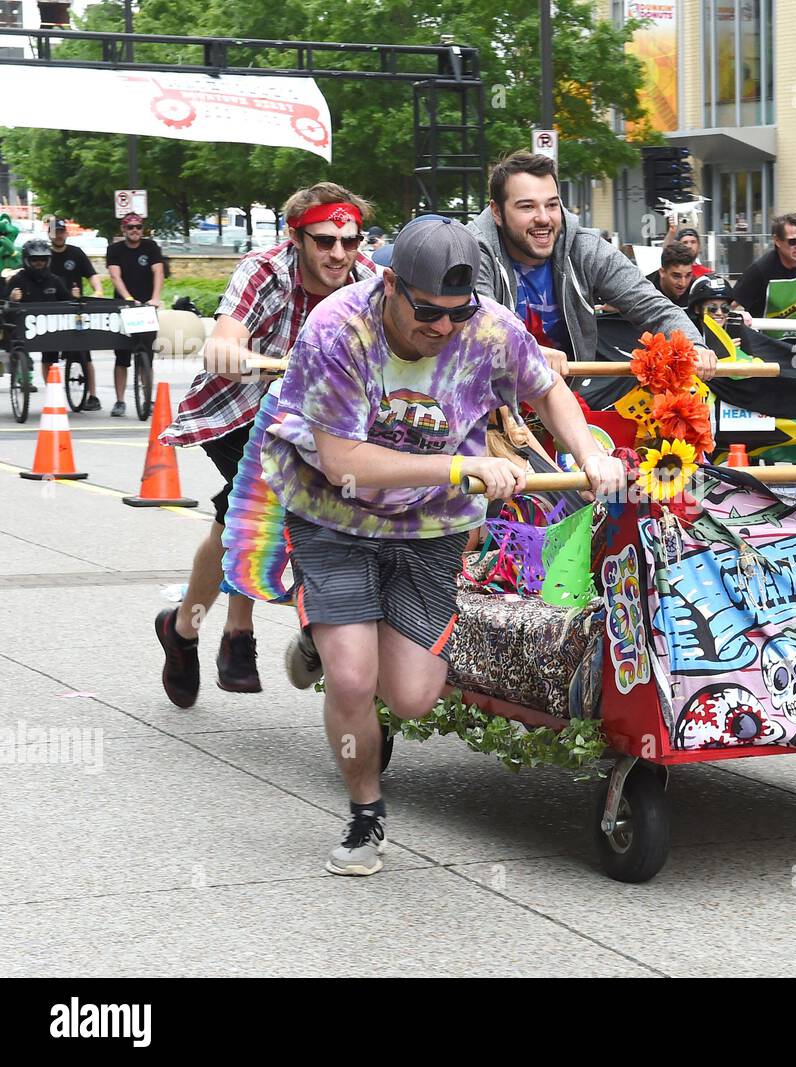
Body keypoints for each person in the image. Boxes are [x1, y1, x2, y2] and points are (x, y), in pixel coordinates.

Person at [259, 217, 625, 875]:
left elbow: (548, 389)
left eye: (457, 314)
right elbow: (346, 462)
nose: (443, 328)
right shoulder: (337, 332)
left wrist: (590, 453)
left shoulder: (487, 326)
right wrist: (462, 468)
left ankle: (328, 632)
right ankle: (365, 814)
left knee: (410, 695)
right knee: (351, 675)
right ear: (390, 283)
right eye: (428, 311)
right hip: (333, 511)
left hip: (430, 525)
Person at [154, 182, 376, 709]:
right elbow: (226, 334)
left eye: (350, 240)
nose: (339, 254)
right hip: (237, 411)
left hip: (313, 421)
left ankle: (184, 628)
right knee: (260, 498)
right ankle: (238, 633)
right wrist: (228, 350)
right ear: (295, 238)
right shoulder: (263, 270)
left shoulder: (367, 281)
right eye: (324, 241)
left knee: (258, 513)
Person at [469, 150, 714, 379]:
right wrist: (529, 351)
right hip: (483, 400)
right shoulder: (473, 249)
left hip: (560, 395)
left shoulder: (585, 248)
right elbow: (480, 323)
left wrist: (693, 345)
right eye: (527, 206)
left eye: (552, 205)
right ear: (497, 212)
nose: (543, 218)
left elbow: (651, 305)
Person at [731, 212, 796, 351]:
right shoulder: (760, 269)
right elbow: (727, 307)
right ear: (777, 240)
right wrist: (738, 316)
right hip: (765, 345)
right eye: (792, 241)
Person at [104, 213, 164, 417]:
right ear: (124, 230)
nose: (135, 230)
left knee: (147, 355)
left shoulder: (151, 247)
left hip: (146, 307)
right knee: (121, 357)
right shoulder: (115, 250)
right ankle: (120, 401)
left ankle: (148, 396)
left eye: (138, 227)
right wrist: (128, 298)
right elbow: (114, 275)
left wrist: (155, 298)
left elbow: (158, 272)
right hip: (124, 306)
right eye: (130, 228)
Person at [48, 218, 106, 408]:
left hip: (75, 307)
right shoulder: (43, 255)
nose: (59, 235)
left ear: (66, 233)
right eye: (55, 231)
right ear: (50, 233)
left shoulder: (76, 253)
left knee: (84, 351)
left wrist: (97, 290)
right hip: (50, 310)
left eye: (62, 231)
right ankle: (52, 393)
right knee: (49, 353)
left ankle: (93, 395)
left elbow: (92, 275)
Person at [4, 239, 71, 385]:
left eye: (42, 259)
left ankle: (52, 389)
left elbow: (68, 301)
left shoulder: (54, 280)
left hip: (50, 328)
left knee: (51, 357)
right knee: (17, 343)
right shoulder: (17, 280)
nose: (39, 263)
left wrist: (75, 297)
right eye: (34, 259)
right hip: (24, 328)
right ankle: (22, 372)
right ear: (27, 260)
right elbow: (5, 308)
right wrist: (12, 299)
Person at [647, 240, 695, 307]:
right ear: (662, 272)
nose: (683, 283)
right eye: (676, 276)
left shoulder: (696, 289)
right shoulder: (645, 291)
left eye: (688, 275)